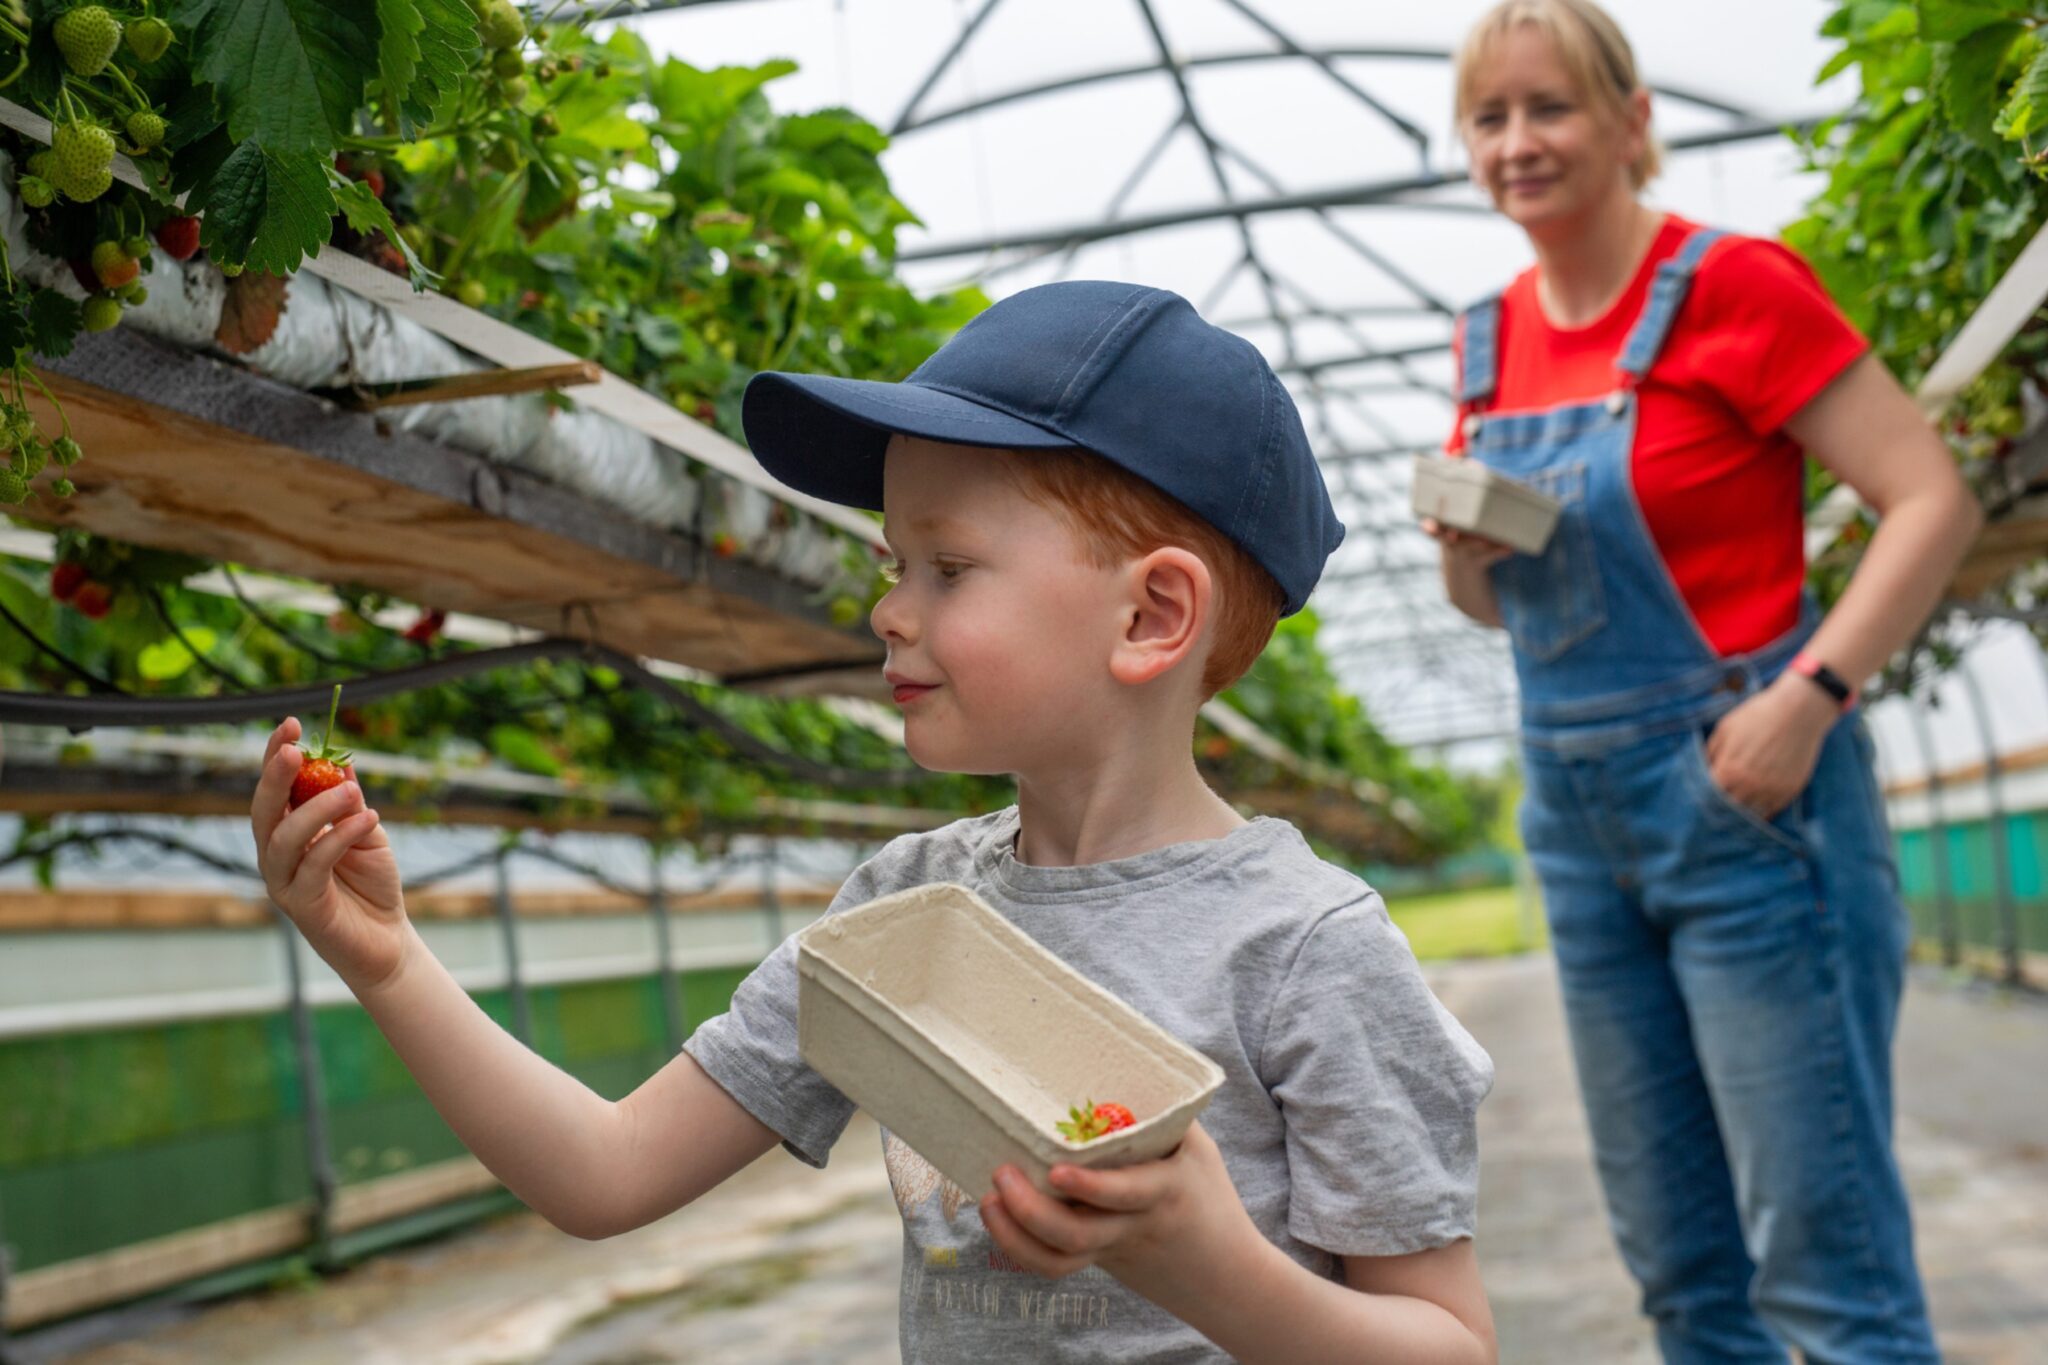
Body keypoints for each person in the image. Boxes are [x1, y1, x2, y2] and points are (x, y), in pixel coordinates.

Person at [251, 280, 1499, 1363]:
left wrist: (1212, 1270)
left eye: (946, 570)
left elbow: (1447, 1346)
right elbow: (605, 1172)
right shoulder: (902, 917)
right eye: (892, 564)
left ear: (1149, 618)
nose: (891, 612)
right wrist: (388, 958)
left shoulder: (1304, 950)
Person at [1425, 2, 1984, 1361]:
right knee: (1681, 1271)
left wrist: (1812, 693)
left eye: (1549, 108)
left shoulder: (1732, 285)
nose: (1518, 143)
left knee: (1825, 1271)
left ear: (1632, 122)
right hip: (1573, 816)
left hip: (1750, 806)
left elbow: (1930, 497)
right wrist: (1459, 555)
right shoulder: (1486, 340)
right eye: (1489, 118)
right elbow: (1504, 613)